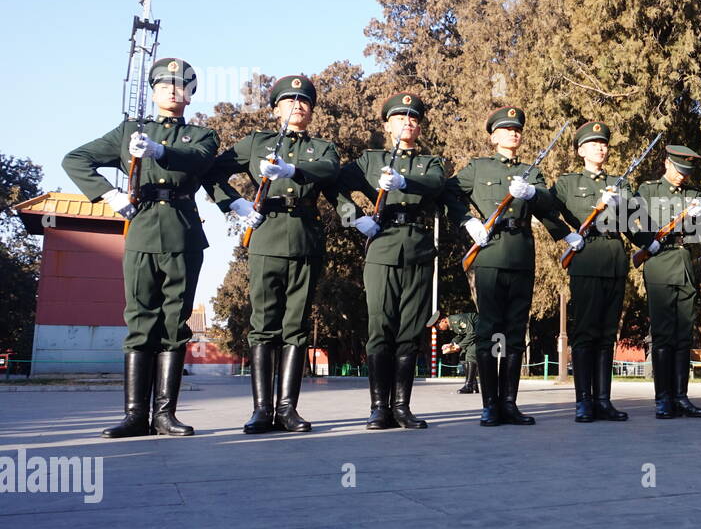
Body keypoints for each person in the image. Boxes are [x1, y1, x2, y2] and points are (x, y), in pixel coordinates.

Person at [63, 57, 218, 437]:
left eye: (181, 85)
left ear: (190, 95)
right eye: (165, 84)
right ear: (152, 92)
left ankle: (165, 415)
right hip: (143, 226)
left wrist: (159, 152)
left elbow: (198, 162)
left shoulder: (201, 135)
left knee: (173, 322)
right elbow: (75, 159)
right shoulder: (129, 130)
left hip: (182, 230)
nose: (172, 90)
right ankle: (135, 416)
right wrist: (109, 193)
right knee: (139, 319)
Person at [204, 74, 339, 434]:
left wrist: (293, 169)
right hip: (266, 235)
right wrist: (236, 203)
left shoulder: (321, 147)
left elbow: (331, 170)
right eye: (290, 101)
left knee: (295, 326)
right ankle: (262, 409)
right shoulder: (256, 142)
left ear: (311, 112)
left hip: (306, 237)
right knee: (264, 325)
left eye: (305, 102)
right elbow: (213, 172)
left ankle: (287, 409)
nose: (298, 106)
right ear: (276, 109)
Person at [334, 92, 446, 430]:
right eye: (400, 118)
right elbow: (333, 186)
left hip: (418, 248)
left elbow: (438, 184)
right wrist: (354, 217)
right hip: (382, 245)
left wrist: (403, 181)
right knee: (380, 327)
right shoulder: (370, 161)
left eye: (413, 118)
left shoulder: (430, 163)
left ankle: (402, 407)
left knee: (410, 331)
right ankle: (378, 407)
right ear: (387, 125)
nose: (407, 123)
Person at [444, 105, 557, 426]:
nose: (513, 133)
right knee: (490, 328)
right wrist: (468, 221)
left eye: (517, 129)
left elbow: (549, 204)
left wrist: (532, 192)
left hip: (522, 252)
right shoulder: (479, 168)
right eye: (506, 129)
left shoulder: (530, 171)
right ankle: (490, 404)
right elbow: (449, 193)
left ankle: (510, 403)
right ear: (493, 137)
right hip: (491, 252)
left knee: (515, 331)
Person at [543, 119, 633, 422]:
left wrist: (622, 205)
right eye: (594, 144)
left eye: (604, 144)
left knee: (608, 334)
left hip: (614, 259)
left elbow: (639, 219)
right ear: (581, 150)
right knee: (585, 333)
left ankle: (603, 400)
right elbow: (543, 209)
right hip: (586, 258)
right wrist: (565, 235)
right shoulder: (569, 183)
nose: (601, 148)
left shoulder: (621, 183)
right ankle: (583, 401)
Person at [630, 145, 701, 419]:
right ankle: (663, 398)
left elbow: (697, 235)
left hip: (683, 262)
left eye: (687, 172)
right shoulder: (649, 190)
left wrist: (698, 215)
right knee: (663, 336)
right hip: (659, 263)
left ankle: (681, 396)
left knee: (682, 335)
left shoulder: (694, 194)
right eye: (679, 170)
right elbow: (628, 221)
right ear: (667, 164)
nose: (683, 177)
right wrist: (646, 243)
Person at [437, 311, 479, 394]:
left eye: (438, 326)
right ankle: (473, 386)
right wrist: (451, 344)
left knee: (470, 354)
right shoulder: (453, 324)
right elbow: (461, 335)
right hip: (474, 335)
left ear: (443, 320)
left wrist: (459, 346)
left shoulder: (457, 320)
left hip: (481, 332)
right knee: (463, 356)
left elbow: (471, 332)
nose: (439, 329)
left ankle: (469, 385)